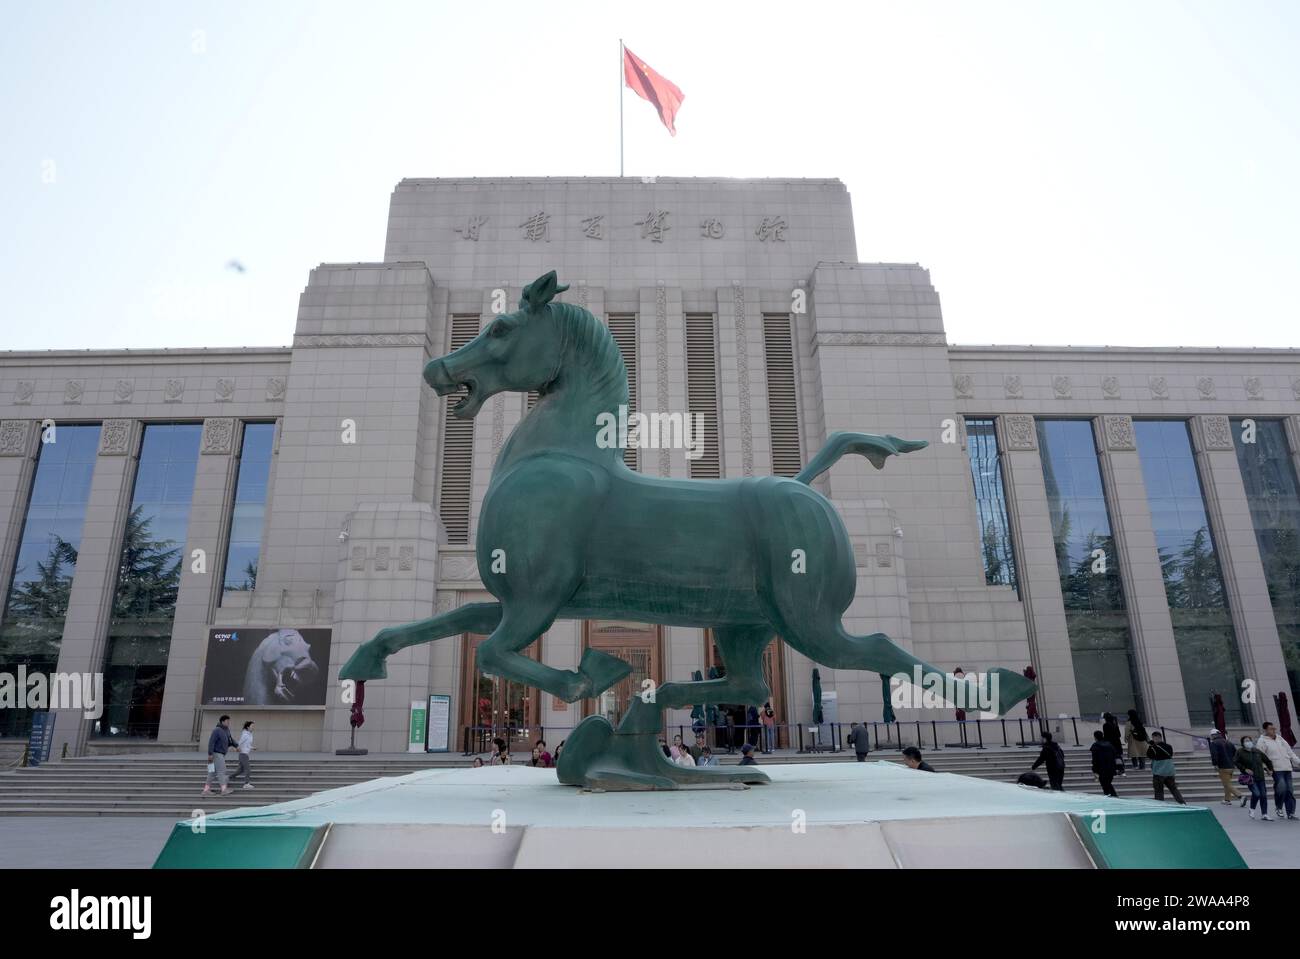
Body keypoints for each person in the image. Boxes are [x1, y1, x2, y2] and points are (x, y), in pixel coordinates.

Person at [1257, 721, 1300, 820]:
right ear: (1266, 730)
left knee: (1290, 790)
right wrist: (1266, 768)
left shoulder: (1280, 739)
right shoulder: (1262, 741)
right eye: (1271, 729)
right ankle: (1279, 807)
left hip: (1287, 767)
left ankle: (1291, 813)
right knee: (1282, 787)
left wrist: (1298, 762)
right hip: (1275, 769)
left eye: (1274, 728)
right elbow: (1259, 756)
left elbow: (1290, 752)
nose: (1273, 730)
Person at [1235, 734, 1274, 821]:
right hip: (1250, 778)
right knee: (1257, 794)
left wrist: (1270, 769)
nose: (1248, 742)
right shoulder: (1240, 752)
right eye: (1246, 741)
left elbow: (1267, 760)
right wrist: (1245, 769)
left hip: (1260, 776)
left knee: (1263, 795)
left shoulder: (1256, 751)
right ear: (1242, 743)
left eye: (1249, 740)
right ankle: (1252, 809)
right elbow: (1236, 762)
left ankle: (1264, 814)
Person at [1146, 731, 1186, 805]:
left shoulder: (1153, 748)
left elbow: (1149, 755)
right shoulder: (1169, 746)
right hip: (1169, 772)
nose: (1154, 739)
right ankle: (1182, 802)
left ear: (1155, 738)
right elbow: (1170, 754)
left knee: (1158, 791)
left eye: (1154, 738)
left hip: (1158, 772)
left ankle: (1160, 805)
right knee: (1173, 789)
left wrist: (1151, 746)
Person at [203, 715, 235, 796]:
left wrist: (236, 746)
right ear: (222, 721)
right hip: (216, 754)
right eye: (227, 721)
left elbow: (230, 740)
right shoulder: (217, 730)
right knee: (222, 770)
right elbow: (211, 742)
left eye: (229, 721)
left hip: (219, 754)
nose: (229, 723)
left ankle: (206, 789)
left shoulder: (226, 730)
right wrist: (210, 754)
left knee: (212, 772)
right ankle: (224, 789)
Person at [1207, 729, 1241, 805]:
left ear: (1213, 735)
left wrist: (1215, 764)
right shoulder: (1228, 742)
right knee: (1227, 783)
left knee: (1227, 784)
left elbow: (1214, 755)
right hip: (1231, 766)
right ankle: (1227, 800)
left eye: (1211, 736)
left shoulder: (1214, 743)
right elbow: (1235, 754)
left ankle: (1240, 795)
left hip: (1223, 766)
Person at [1090, 730, 1119, 797]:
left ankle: (1112, 796)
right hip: (1111, 768)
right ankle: (1113, 796)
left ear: (1095, 737)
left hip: (1101, 769)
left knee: (1105, 784)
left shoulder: (1095, 746)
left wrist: (1094, 770)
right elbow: (1115, 755)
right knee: (1107, 783)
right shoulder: (1109, 744)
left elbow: (1095, 760)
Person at [236, 720, 255, 790]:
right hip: (243, 754)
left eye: (253, 726)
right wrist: (237, 748)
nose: (253, 727)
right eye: (252, 726)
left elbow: (247, 745)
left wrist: (252, 748)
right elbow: (240, 742)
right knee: (248, 769)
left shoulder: (250, 734)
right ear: (248, 727)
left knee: (240, 771)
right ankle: (246, 784)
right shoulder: (245, 734)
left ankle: (227, 778)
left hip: (244, 754)